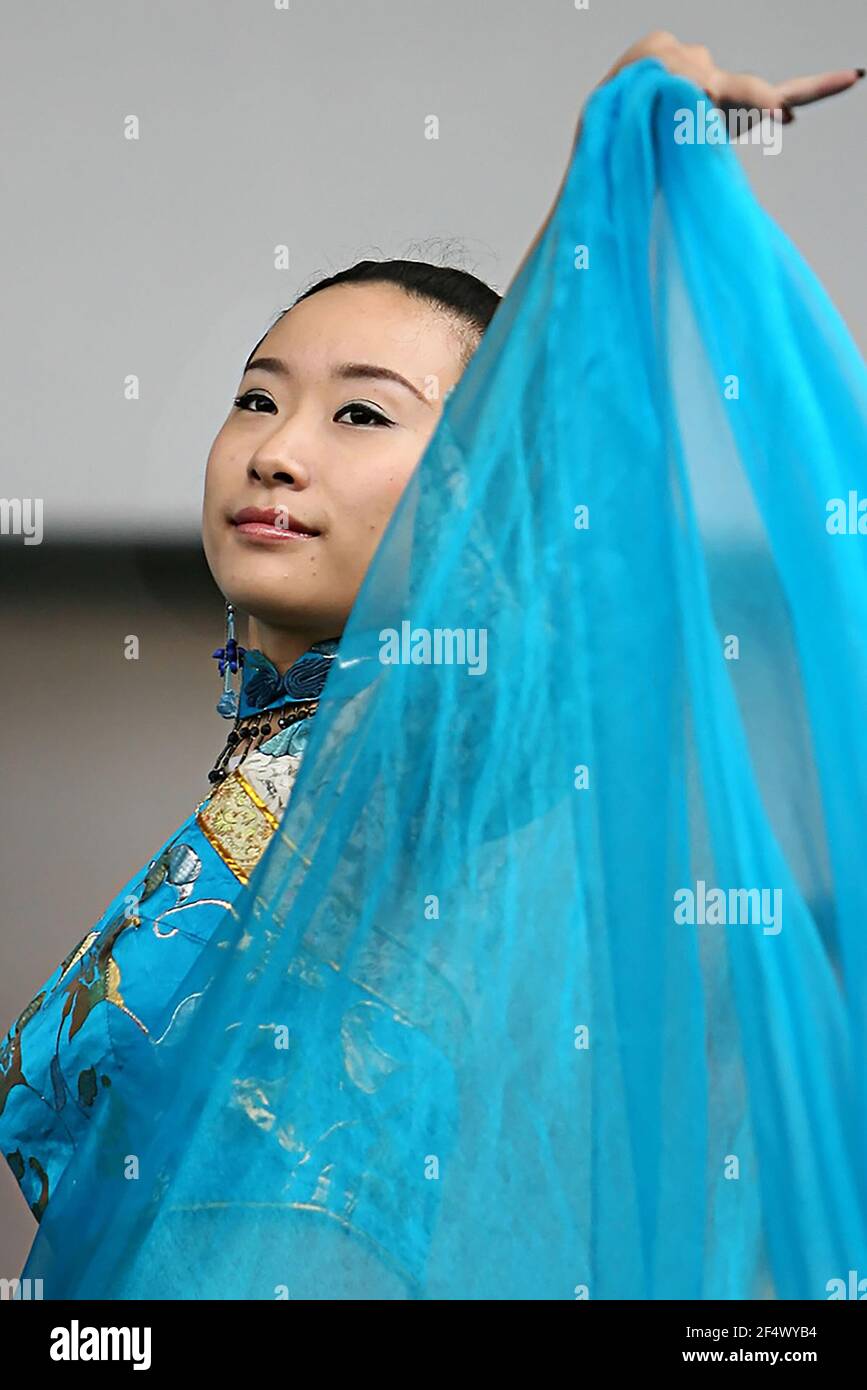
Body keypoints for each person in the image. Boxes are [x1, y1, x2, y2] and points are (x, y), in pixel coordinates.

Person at [3, 33, 865, 1297]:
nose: (279, 450)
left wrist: (613, 152)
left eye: (362, 412)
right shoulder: (266, 775)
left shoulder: (404, 749)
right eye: (257, 397)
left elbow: (511, 456)